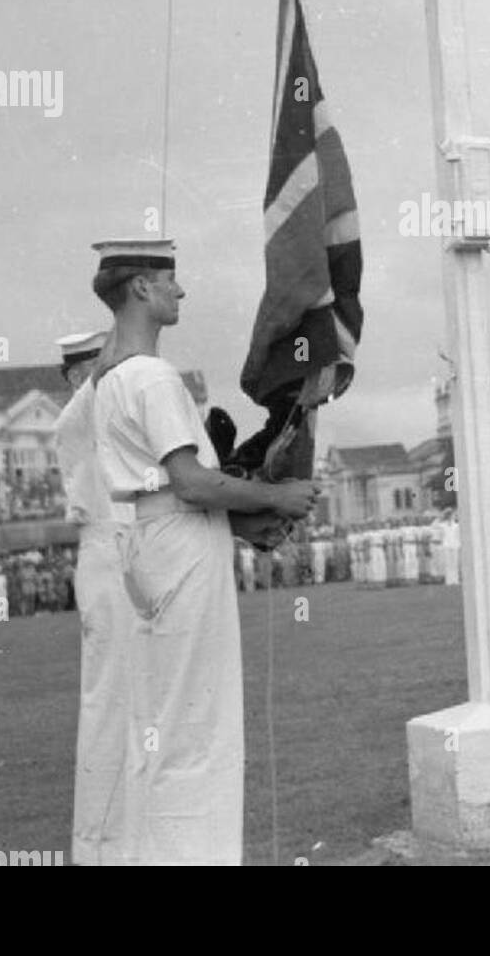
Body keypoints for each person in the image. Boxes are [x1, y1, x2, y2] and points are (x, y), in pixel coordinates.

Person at [87, 237, 317, 865]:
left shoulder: (110, 380)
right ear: (141, 288)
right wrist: (276, 498)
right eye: (171, 281)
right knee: (198, 729)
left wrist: (241, 524)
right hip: (177, 546)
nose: (180, 291)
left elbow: (167, 489)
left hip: (157, 538)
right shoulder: (154, 377)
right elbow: (190, 482)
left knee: (168, 720)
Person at [54, 327, 135, 866]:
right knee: (111, 701)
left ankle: (132, 836)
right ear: (78, 374)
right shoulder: (75, 415)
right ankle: (101, 848)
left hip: (126, 549)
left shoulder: (106, 417)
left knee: (139, 697)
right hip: (107, 558)